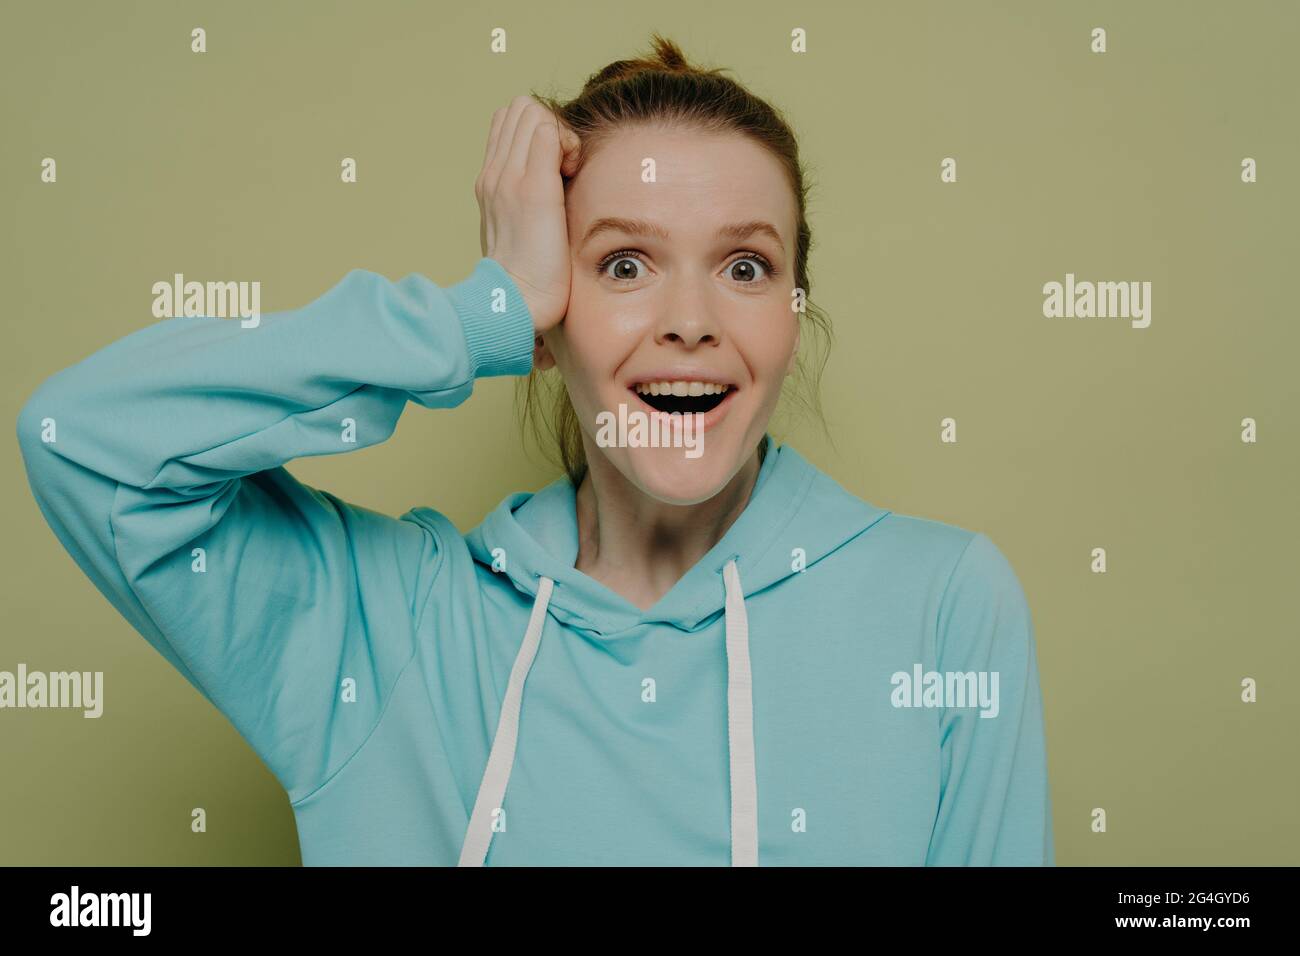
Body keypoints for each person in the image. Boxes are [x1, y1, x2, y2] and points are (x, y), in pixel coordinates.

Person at [15, 35, 1053, 866]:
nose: (690, 319)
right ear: (549, 328)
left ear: (791, 313)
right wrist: (480, 313)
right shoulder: (384, 633)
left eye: (744, 264)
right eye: (624, 262)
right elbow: (88, 438)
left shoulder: (943, 606)